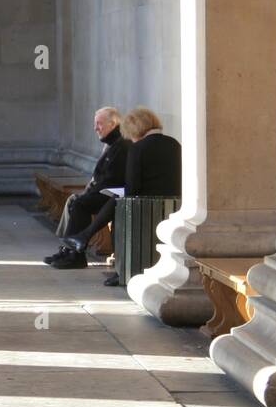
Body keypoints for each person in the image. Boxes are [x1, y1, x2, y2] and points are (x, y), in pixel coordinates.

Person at [59, 106, 181, 285]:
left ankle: (120, 269)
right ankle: (84, 237)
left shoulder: (138, 148)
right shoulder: (174, 144)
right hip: (173, 205)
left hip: (144, 207)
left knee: (120, 207)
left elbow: (132, 188)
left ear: (135, 129)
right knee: (117, 202)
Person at [44, 106, 131, 269]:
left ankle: (76, 255)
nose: (95, 128)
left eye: (99, 123)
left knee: (80, 204)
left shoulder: (121, 145)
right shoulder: (113, 143)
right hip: (106, 192)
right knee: (75, 201)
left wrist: (89, 193)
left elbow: (112, 178)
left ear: (112, 124)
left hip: (113, 194)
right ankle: (68, 250)